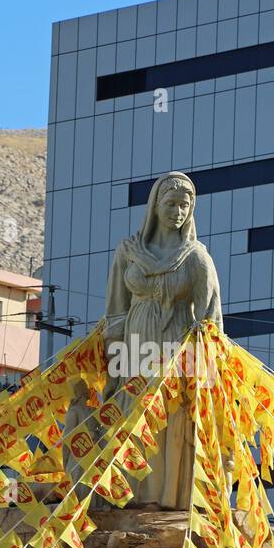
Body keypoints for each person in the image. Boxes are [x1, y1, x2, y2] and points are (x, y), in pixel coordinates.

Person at [103, 171, 223, 508]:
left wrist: (207, 371)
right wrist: (114, 367)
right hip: (137, 339)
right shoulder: (128, 252)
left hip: (177, 342)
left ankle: (170, 495)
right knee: (136, 410)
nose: (178, 212)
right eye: (171, 204)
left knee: (171, 415)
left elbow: (211, 318)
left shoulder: (197, 257)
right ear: (155, 206)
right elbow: (115, 312)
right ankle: (136, 493)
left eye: (185, 205)